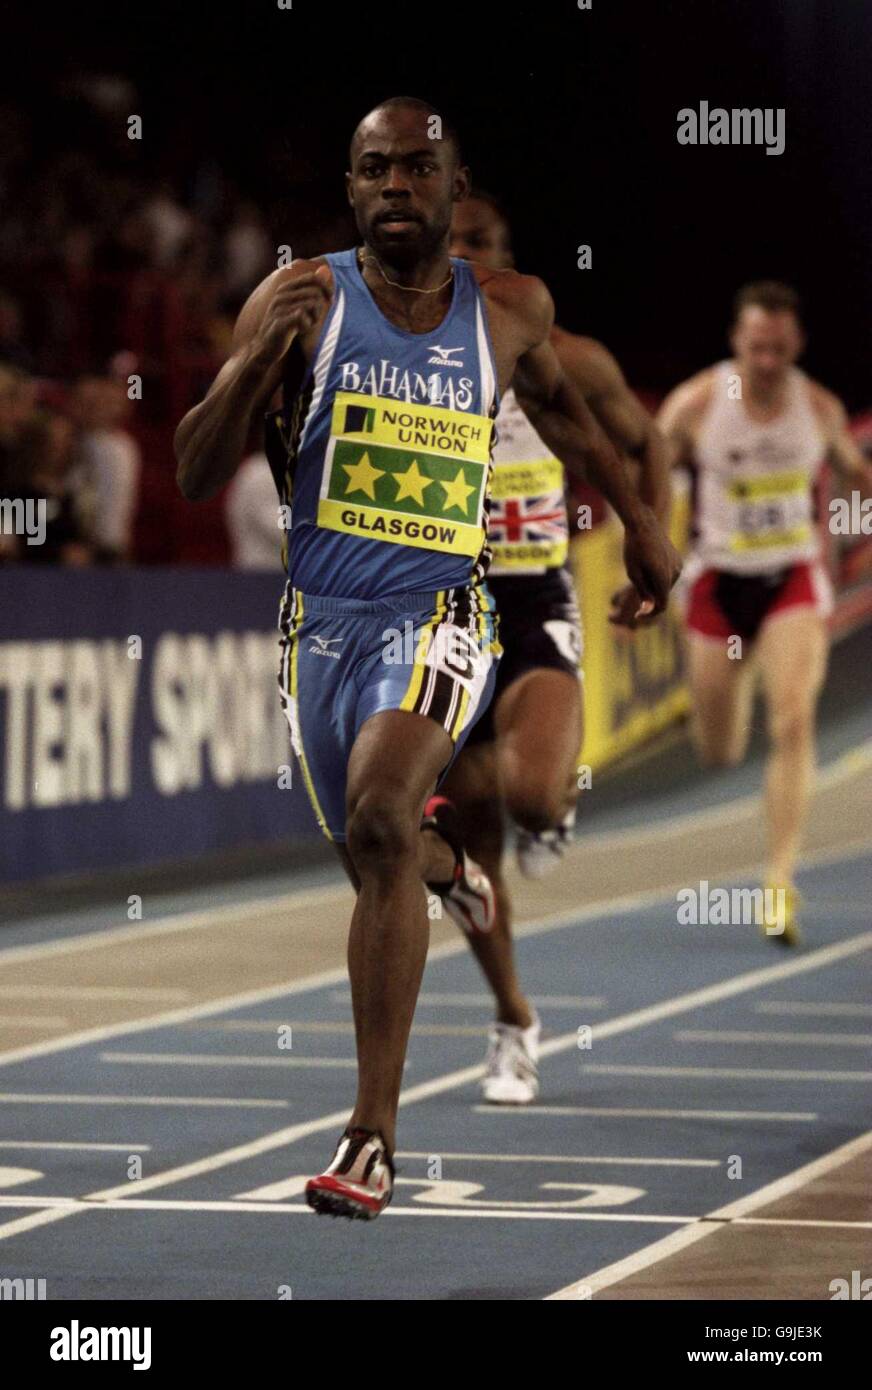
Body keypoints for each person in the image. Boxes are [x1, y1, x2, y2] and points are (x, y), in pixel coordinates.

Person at [175, 96, 680, 1219]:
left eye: (416, 167)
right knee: (378, 854)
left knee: (378, 815)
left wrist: (642, 526)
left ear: (456, 186)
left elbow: (566, 414)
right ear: (349, 188)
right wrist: (257, 364)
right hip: (319, 624)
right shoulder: (302, 298)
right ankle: (454, 872)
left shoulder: (506, 310)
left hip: (443, 609)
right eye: (373, 170)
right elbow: (194, 470)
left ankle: (371, 1136)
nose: (395, 187)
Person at [441, 192, 672, 1102]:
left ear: (509, 255)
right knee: (471, 850)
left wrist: (648, 547)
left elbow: (647, 443)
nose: (470, 258)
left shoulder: (564, 356)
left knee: (532, 795)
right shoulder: (403, 359)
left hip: (534, 595)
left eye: (485, 244)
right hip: (441, 611)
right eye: (456, 244)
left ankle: (551, 805)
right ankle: (514, 1021)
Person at [658, 280, 871, 945]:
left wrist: (859, 501)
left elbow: (857, 474)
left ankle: (779, 880)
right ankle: (734, 680)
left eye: (780, 348)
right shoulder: (697, 403)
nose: (769, 361)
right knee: (720, 750)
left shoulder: (818, 408)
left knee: (794, 719)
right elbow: (648, 476)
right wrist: (653, 561)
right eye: (757, 348)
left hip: (790, 580)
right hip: (718, 584)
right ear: (737, 343)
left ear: (797, 343)